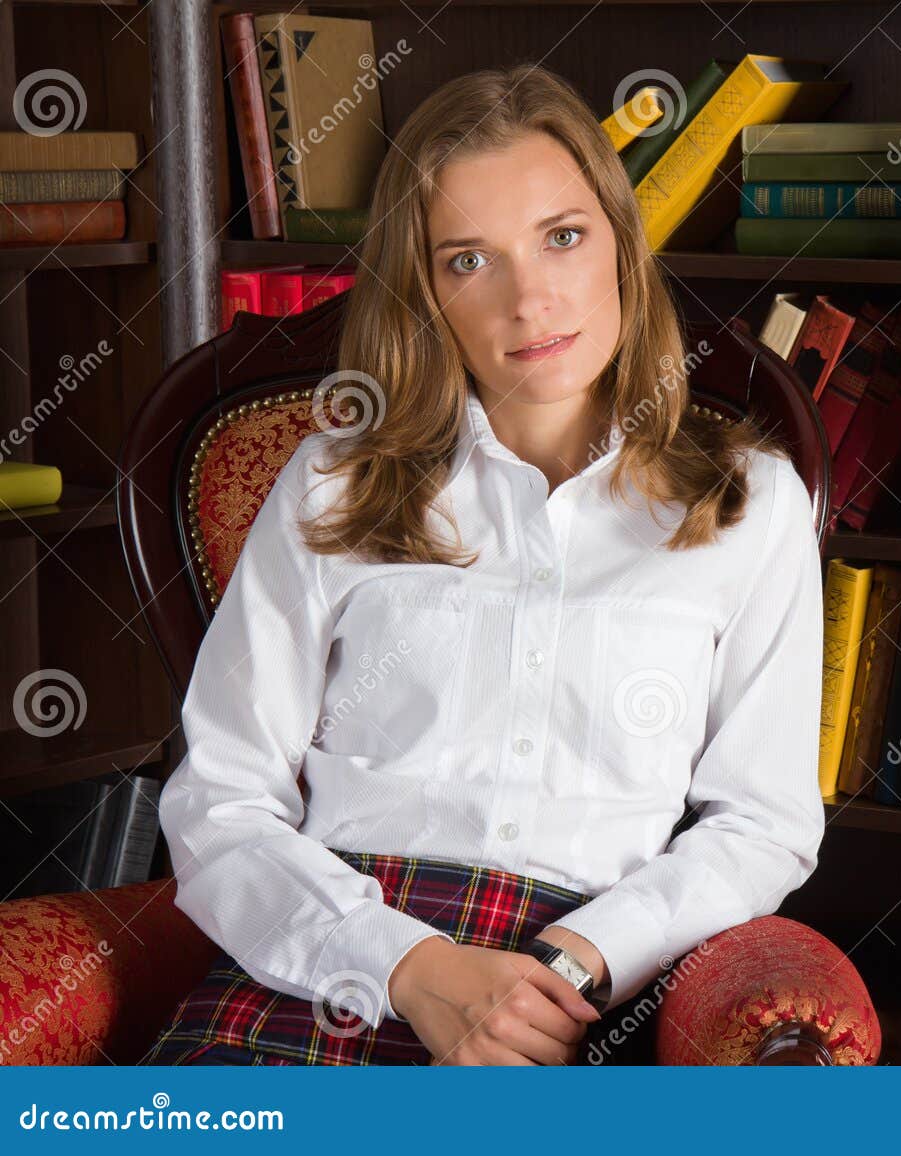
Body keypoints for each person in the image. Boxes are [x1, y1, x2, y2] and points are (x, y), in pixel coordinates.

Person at [140, 63, 826, 1066]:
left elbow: (761, 823)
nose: (530, 298)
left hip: (581, 985)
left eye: (562, 236)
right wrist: (409, 967)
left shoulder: (747, 504)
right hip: (338, 953)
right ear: (422, 289)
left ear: (621, 247)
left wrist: (578, 962)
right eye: (469, 260)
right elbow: (219, 800)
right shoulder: (334, 481)